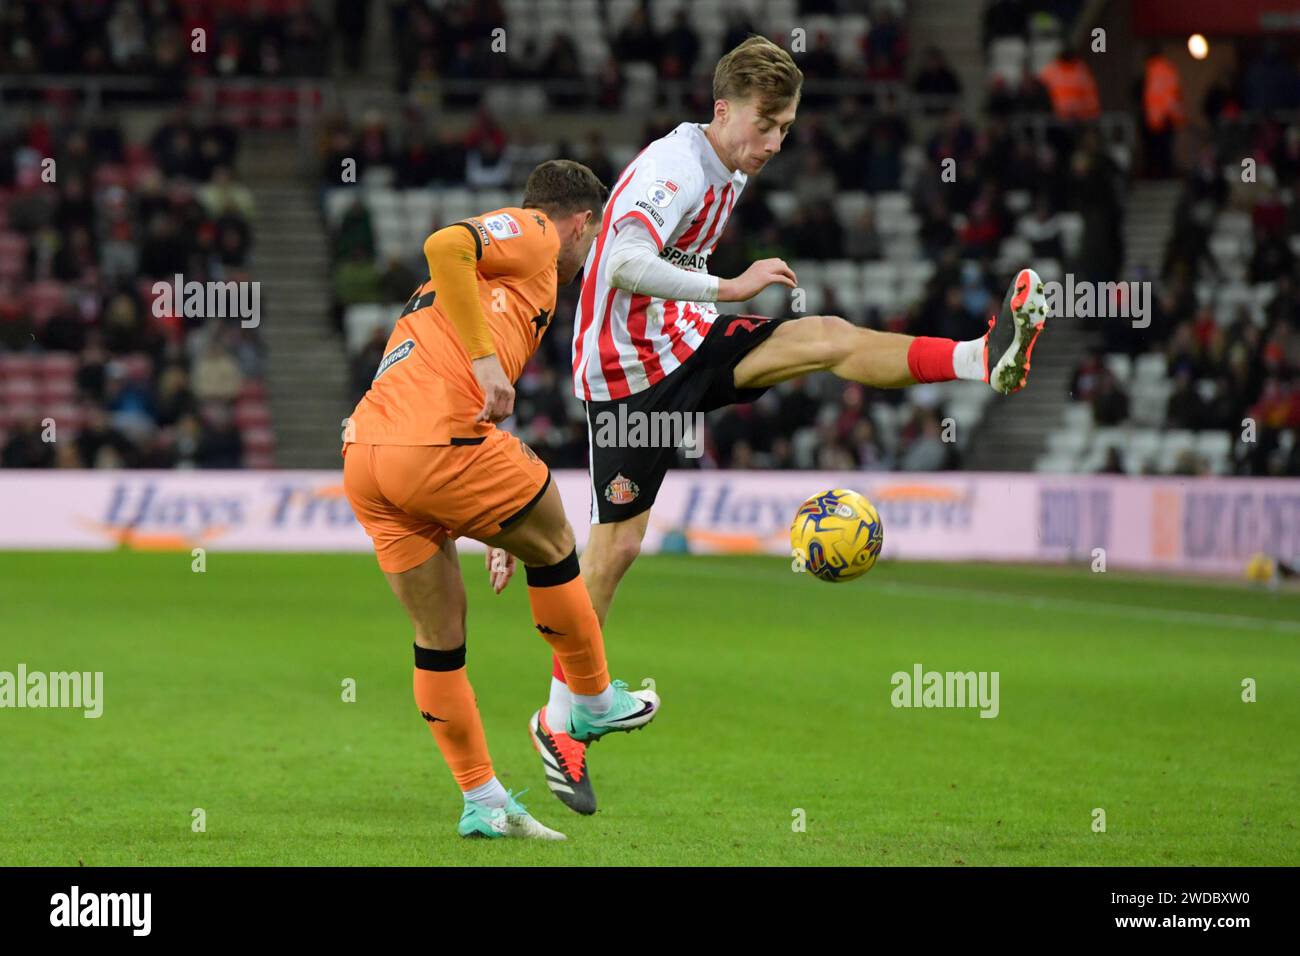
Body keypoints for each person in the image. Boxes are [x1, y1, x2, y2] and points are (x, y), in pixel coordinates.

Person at [534, 35, 1050, 815]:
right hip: (626, 374)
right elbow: (620, 262)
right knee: (618, 548)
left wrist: (710, 302)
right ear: (722, 110)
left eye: (786, 127)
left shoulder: (732, 164)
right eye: (766, 124)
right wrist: (728, 285)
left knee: (825, 338)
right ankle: (559, 718)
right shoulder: (676, 167)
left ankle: (982, 357)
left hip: (685, 341)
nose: (776, 142)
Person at [341, 160, 659, 840]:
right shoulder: (540, 233)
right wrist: (487, 361)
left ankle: (483, 803)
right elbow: (444, 243)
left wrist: (485, 525)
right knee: (556, 543)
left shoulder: (497, 289)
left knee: (439, 637)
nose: (592, 252)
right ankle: (594, 700)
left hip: (370, 455)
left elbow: (439, 366)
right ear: (580, 223)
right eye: (594, 237)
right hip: (435, 443)